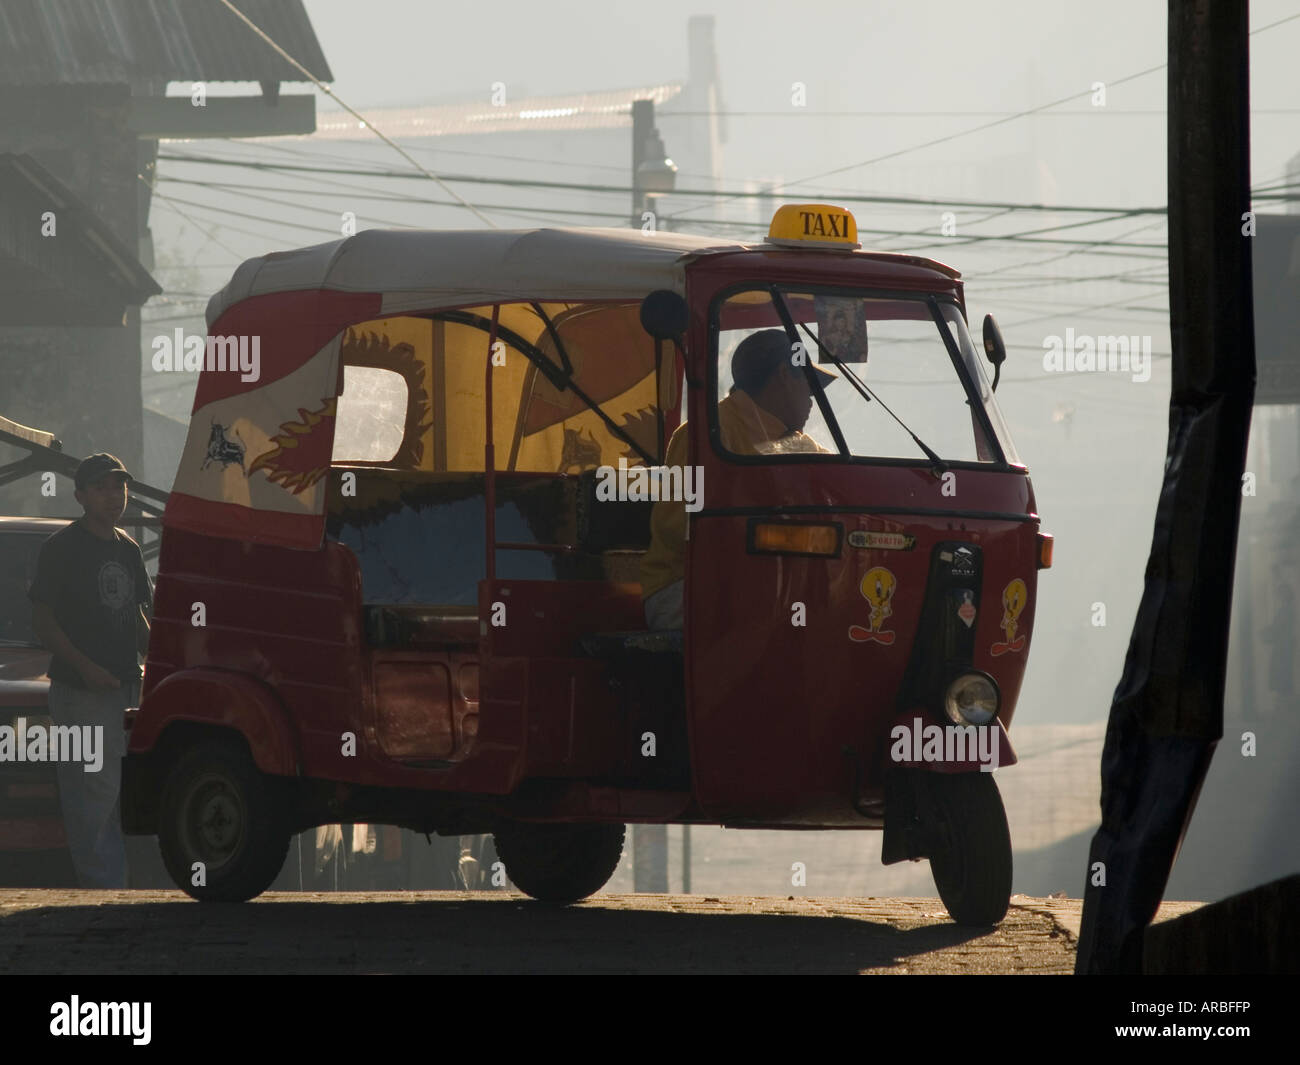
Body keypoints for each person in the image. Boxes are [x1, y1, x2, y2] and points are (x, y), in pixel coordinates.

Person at [640, 329, 833, 629]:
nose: (813, 400)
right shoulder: (703, 434)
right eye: (808, 387)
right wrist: (761, 533)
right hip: (685, 587)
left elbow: (845, 488)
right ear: (783, 374)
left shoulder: (802, 446)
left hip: (765, 587)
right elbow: (676, 526)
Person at [29, 453, 151, 889]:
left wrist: (159, 663)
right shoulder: (62, 549)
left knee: (118, 795)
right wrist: (87, 668)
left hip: (126, 692)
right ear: (80, 496)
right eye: (102, 488)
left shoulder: (129, 548)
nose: (114, 496)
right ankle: (103, 896)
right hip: (81, 693)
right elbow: (43, 622)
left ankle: (115, 890)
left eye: (118, 487)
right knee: (92, 797)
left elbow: (137, 620)